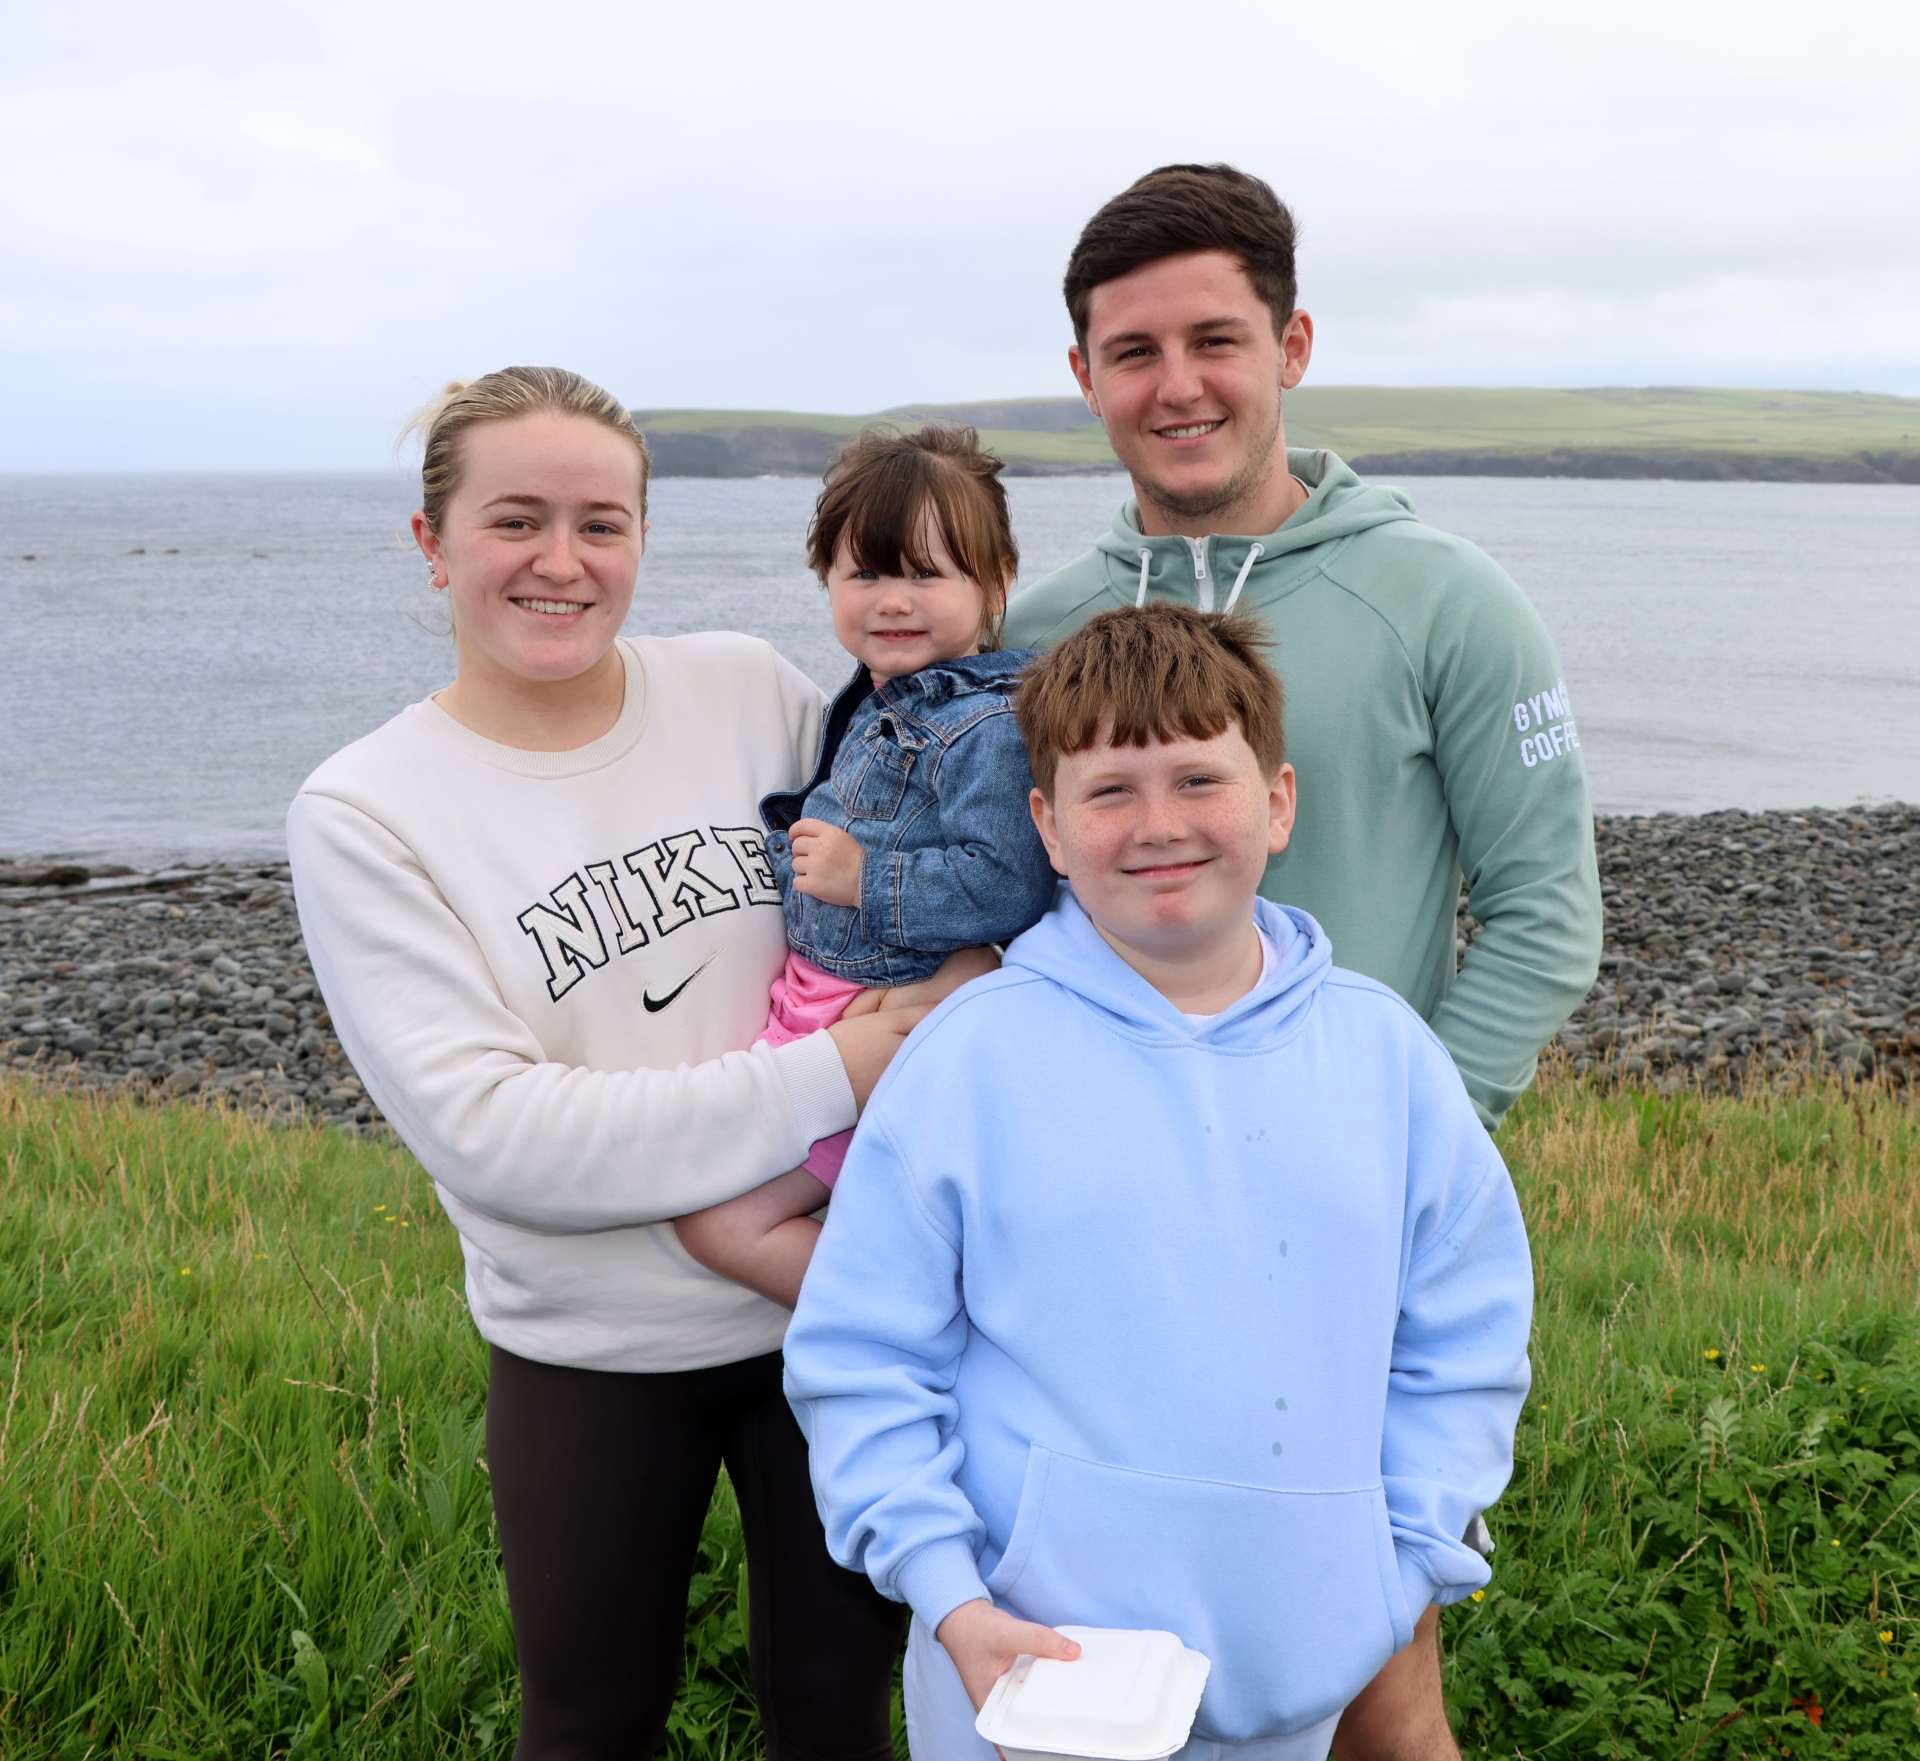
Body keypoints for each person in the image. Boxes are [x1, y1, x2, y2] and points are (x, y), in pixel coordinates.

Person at [999, 164, 1600, 1757]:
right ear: (1083, 376)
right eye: (1132, 352)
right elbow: (1010, 914)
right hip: (1105, 1236)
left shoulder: (1447, 599)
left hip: (1352, 1224)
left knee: (1379, 1681)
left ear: (1292, 343)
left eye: (1216, 338)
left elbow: (1547, 909)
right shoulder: (1045, 624)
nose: (1176, 385)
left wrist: (1413, 1143)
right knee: (1120, 1668)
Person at [286, 366, 924, 1761]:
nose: (561, 563)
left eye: (603, 524)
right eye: (515, 520)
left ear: (643, 535)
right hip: (589, 1351)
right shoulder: (366, 809)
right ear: (431, 540)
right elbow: (501, 1137)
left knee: (839, 1712)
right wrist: (840, 1076)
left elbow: (915, 875)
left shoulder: (747, 690)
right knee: (590, 1721)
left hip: (840, 1305)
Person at [782, 604, 1534, 1761]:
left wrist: (1397, 1572)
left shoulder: (1388, 1062)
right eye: (1110, 791)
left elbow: (1465, 1344)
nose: (1158, 826)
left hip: (1299, 1675)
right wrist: (953, 1598)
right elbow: (864, 1360)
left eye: (1199, 780)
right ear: (1046, 824)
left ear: (1278, 802)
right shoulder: (968, 1059)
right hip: (1018, 1682)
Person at [673, 425, 1058, 1308]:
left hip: (880, 1018)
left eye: (927, 573)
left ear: (997, 580)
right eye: (865, 574)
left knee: (720, 1221)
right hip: (822, 1008)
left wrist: (862, 877)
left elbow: (1009, 884)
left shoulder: (987, 729)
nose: (893, 599)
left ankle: (925, 1319)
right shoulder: (875, 701)